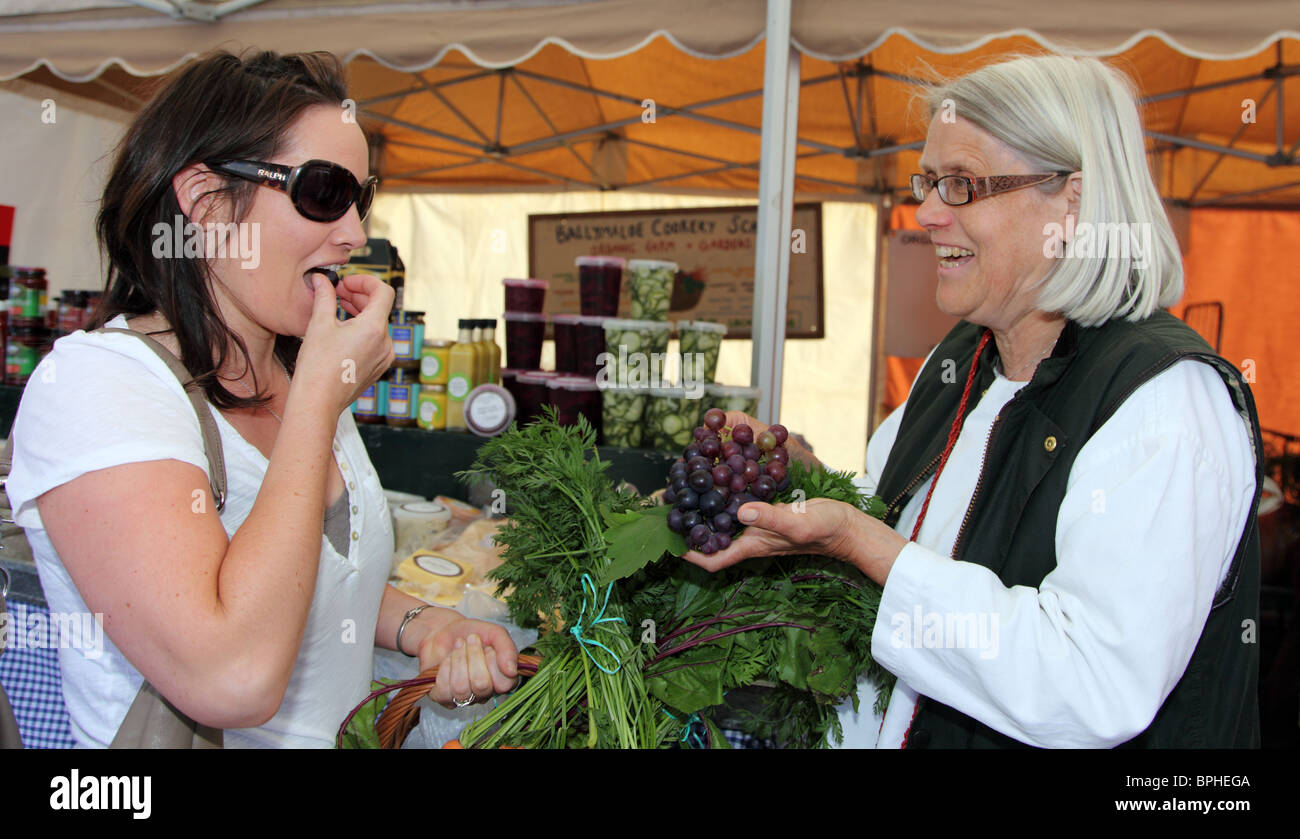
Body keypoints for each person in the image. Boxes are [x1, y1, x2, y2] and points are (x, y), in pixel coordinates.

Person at [687, 54, 1262, 748]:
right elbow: (884, 510)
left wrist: (862, 543)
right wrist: (789, 477)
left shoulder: (1164, 399)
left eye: (960, 184)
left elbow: (1091, 681)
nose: (927, 213)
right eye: (927, 181)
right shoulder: (959, 361)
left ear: (1071, 202)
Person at [4, 50, 517, 748]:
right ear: (207, 200)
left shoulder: (290, 366)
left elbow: (309, 579)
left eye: (361, 198)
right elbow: (232, 676)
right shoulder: (100, 388)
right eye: (324, 193)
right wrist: (317, 403)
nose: (356, 235)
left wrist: (422, 623)